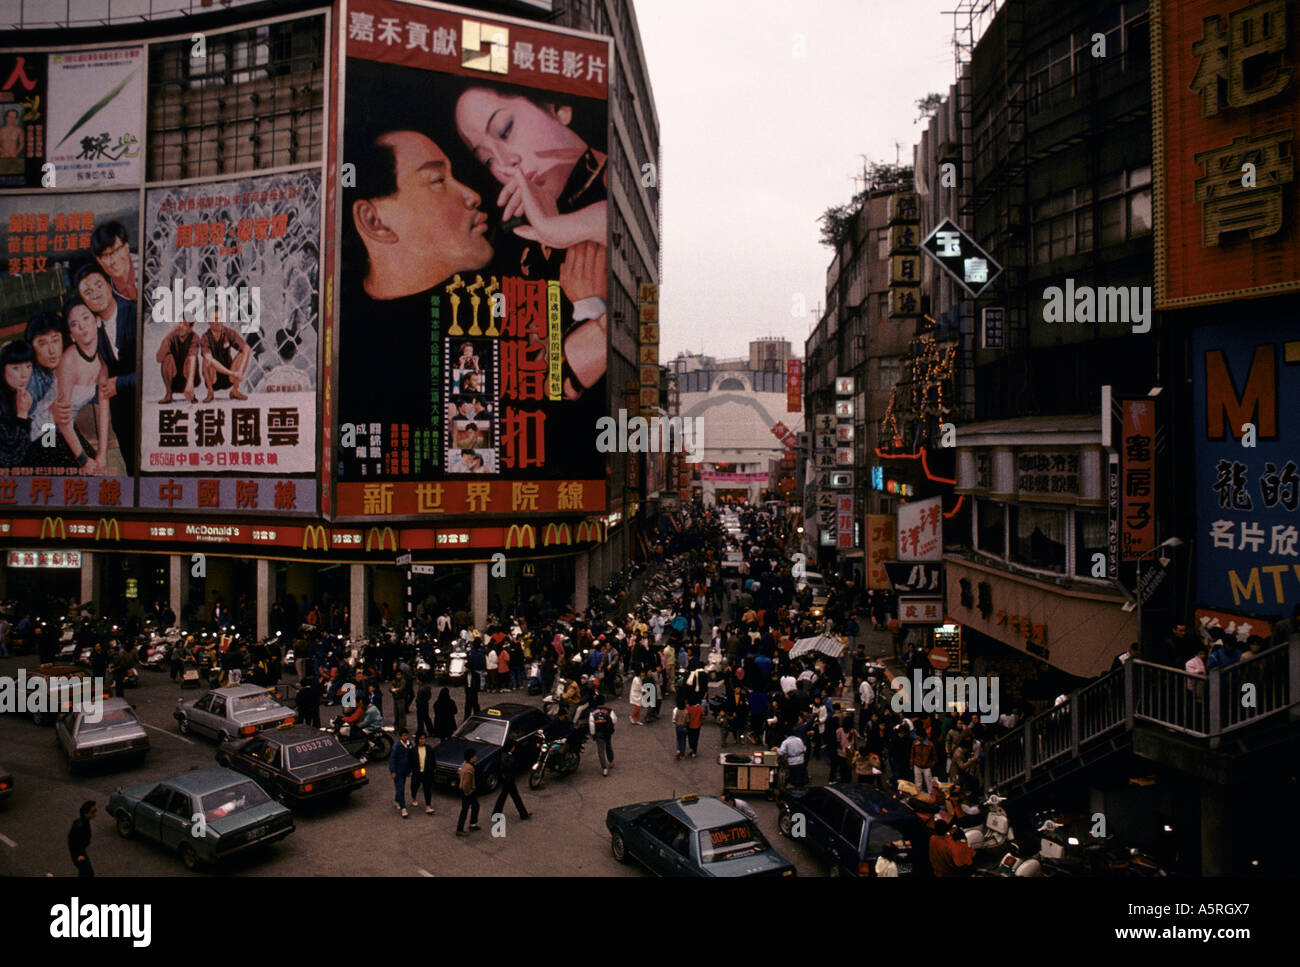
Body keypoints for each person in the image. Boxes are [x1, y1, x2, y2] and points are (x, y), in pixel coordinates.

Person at [31, 298, 111, 473]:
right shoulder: (69, 361)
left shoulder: (103, 359)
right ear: (72, 335)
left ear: (97, 321)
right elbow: (60, 418)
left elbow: (104, 407)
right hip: (47, 430)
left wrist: (103, 452)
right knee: (58, 469)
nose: (82, 326)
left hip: (67, 429)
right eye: (75, 324)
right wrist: (83, 459)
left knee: (98, 472)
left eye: (86, 318)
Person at [74, 263, 135, 466]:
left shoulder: (135, 312)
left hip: (151, 412)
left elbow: (155, 372)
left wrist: (120, 384)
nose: (95, 295)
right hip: (123, 419)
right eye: (88, 293)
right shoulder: (91, 328)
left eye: (98, 286)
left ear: (109, 284)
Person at [199, 314, 251, 402]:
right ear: (209, 322)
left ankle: (234, 391)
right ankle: (210, 393)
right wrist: (232, 373)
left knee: (246, 350)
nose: (218, 322)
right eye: (215, 319)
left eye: (220, 318)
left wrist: (239, 372)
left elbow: (246, 348)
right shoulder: (205, 337)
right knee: (206, 360)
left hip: (229, 378)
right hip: (214, 379)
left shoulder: (228, 332)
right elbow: (209, 359)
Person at [0, 340, 35, 467]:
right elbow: (12, 458)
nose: (24, 375)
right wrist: (22, 414)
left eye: (28, 366)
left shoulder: (23, 393)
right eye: (15, 368)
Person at [155, 312, 200, 403]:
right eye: (180, 323)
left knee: (190, 359)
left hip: (189, 378)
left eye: (184, 324)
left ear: (190, 328)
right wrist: (168, 336)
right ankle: (169, 394)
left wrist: (190, 383)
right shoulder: (171, 337)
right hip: (174, 379)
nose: (180, 326)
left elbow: (192, 359)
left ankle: (190, 393)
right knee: (167, 358)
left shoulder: (194, 337)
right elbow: (159, 358)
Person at [91, 220, 138, 302]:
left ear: (127, 247)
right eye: (106, 255)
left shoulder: (149, 267)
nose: (114, 260)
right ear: (99, 260)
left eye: (117, 250)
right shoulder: (104, 288)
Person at [491, 737, 532, 823]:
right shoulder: (510, 758)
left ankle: (496, 814)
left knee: (506, 797)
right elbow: (511, 767)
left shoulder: (503, 755)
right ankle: (523, 814)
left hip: (506, 779)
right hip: (509, 780)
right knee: (514, 797)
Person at [588, 693, 617, 776]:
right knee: (608, 746)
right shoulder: (609, 710)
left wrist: (593, 734)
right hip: (607, 732)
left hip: (598, 734)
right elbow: (614, 720)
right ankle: (611, 761)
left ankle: (604, 768)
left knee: (600, 751)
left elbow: (592, 725)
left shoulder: (592, 713)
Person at [410, 732, 437, 815]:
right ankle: (414, 798)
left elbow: (433, 760)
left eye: (424, 738)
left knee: (427, 789)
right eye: (421, 739)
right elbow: (410, 762)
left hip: (427, 773)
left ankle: (428, 806)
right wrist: (410, 770)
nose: (423, 740)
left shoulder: (428, 748)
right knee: (414, 786)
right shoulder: (413, 750)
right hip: (417, 773)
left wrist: (433, 769)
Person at [389, 729, 414, 818]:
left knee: (401, 786)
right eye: (403, 736)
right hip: (398, 770)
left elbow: (411, 758)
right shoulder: (397, 746)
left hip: (405, 770)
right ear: (400, 737)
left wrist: (410, 770)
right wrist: (393, 771)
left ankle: (396, 800)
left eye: (406, 735)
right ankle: (403, 808)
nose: (405, 737)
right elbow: (392, 759)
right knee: (401, 788)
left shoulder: (409, 744)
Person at [455, 749, 480, 836]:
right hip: (468, 792)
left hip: (463, 790)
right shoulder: (470, 768)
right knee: (467, 809)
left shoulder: (464, 764)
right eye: (474, 756)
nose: (476, 758)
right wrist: (468, 792)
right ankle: (461, 829)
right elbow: (466, 783)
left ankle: (472, 824)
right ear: (471, 758)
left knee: (473, 806)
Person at [68, 800, 96, 877]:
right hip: (78, 854)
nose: (95, 814)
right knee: (88, 873)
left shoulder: (85, 822)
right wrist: (78, 855)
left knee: (85, 872)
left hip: (81, 851)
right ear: (85, 814)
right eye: (93, 812)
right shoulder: (79, 827)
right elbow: (71, 841)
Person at [911, 729, 937, 795]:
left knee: (929, 781)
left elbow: (934, 756)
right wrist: (911, 764)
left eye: (918, 736)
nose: (916, 737)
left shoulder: (930, 744)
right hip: (917, 765)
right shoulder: (915, 743)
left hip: (927, 766)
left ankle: (931, 794)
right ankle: (919, 794)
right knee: (918, 781)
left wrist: (931, 765)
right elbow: (912, 755)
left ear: (922, 737)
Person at [672, 694, 689, 759]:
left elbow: (675, 719)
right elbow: (687, 720)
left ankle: (678, 749)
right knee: (683, 740)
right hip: (684, 726)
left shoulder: (677, 711)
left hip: (678, 726)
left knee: (678, 739)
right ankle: (682, 754)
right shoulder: (686, 712)